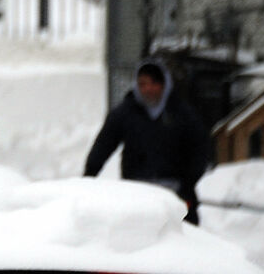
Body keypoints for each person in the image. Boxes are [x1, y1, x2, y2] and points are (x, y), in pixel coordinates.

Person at [84, 60, 210, 223]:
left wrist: (188, 183)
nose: (148, 89)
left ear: (164, 84)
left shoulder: (182, 113)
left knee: (184, 237)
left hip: (175, 191)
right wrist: (89, 176)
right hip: (136, 190)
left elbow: (201, 148)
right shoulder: (125, 113)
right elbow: (103, 145)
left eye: (154, 83)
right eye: (142, 84)